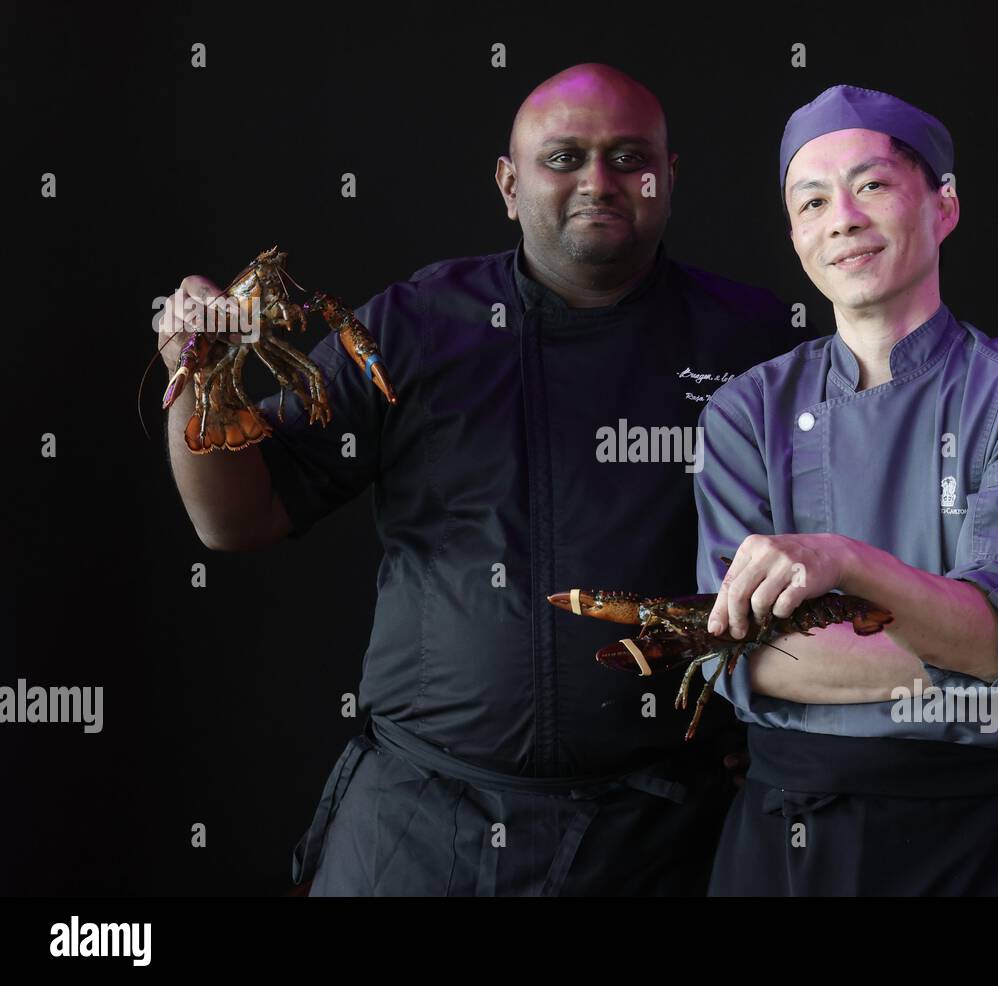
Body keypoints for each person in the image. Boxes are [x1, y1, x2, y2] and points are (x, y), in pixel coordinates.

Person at [156, 63, 810, 895]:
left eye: (627, 157)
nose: (597, 181)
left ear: (668, 178)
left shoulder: (756, 343)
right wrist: (200, 377)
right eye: (563, 158)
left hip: (656, 834)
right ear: (509, 184)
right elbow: (238, 520)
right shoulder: (413, 326)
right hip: (417, 824)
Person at [692, 85, 998, 896]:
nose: (840, 217)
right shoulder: (746, 412)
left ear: (944, 206)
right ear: (796, 235)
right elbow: (734, 653)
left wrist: (844, 561)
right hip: (781, 844)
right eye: (810, 201)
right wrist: (986, 669)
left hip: (969, 844)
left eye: (871, 184)